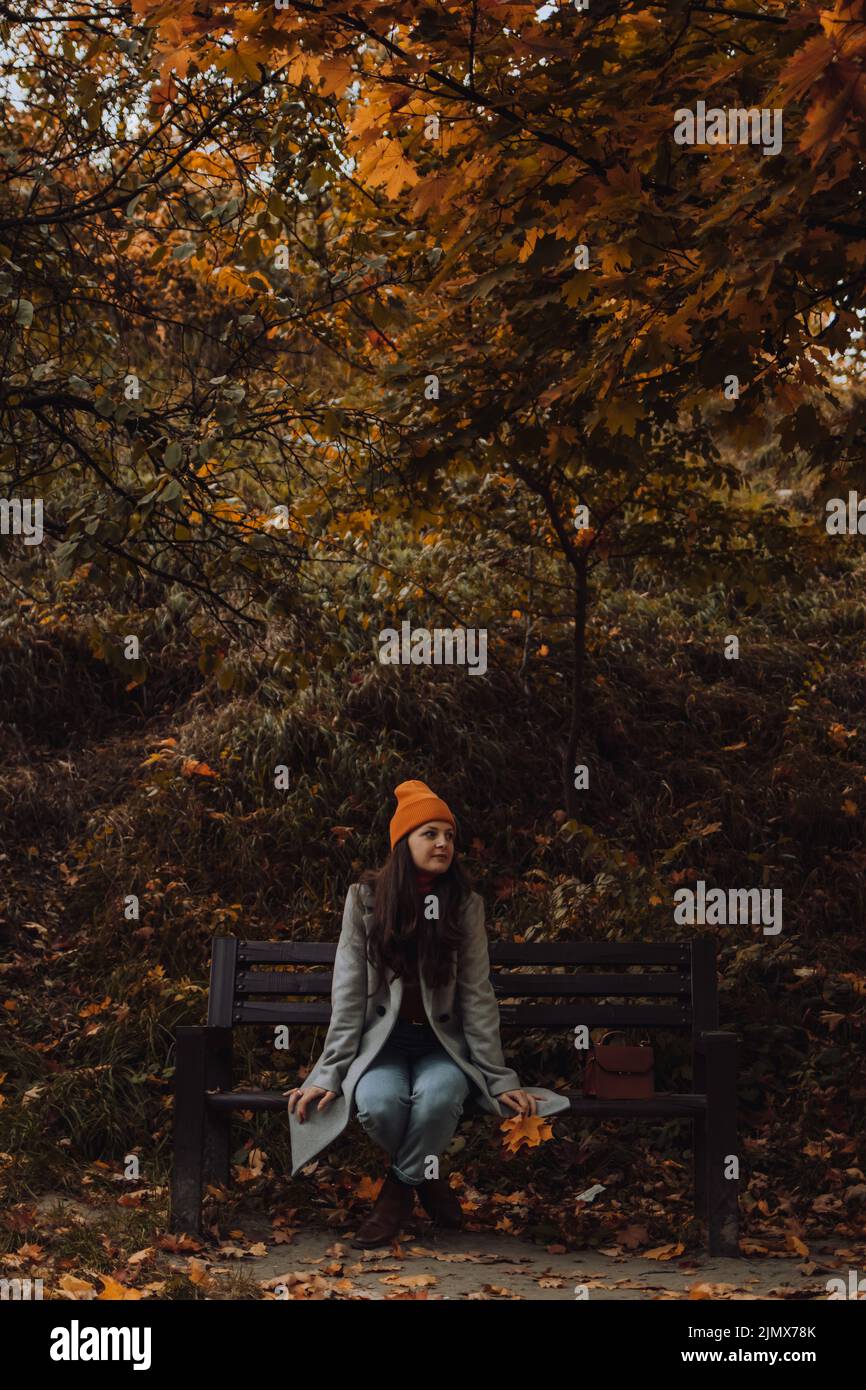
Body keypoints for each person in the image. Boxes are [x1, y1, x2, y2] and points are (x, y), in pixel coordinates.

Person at [286, 779, 571, 1247]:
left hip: (443, 1048)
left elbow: (477, 996)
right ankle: (428, 1177)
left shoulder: (465, 905)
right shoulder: (365, 900)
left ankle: (397, 1193)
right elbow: (348, 990)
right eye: (429, 833)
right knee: (379, 1106)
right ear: (403, 842)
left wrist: (500, 1079)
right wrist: (328, 1072)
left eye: (449, 835)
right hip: (385, 1047)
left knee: (438, 1101)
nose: (443, 843)